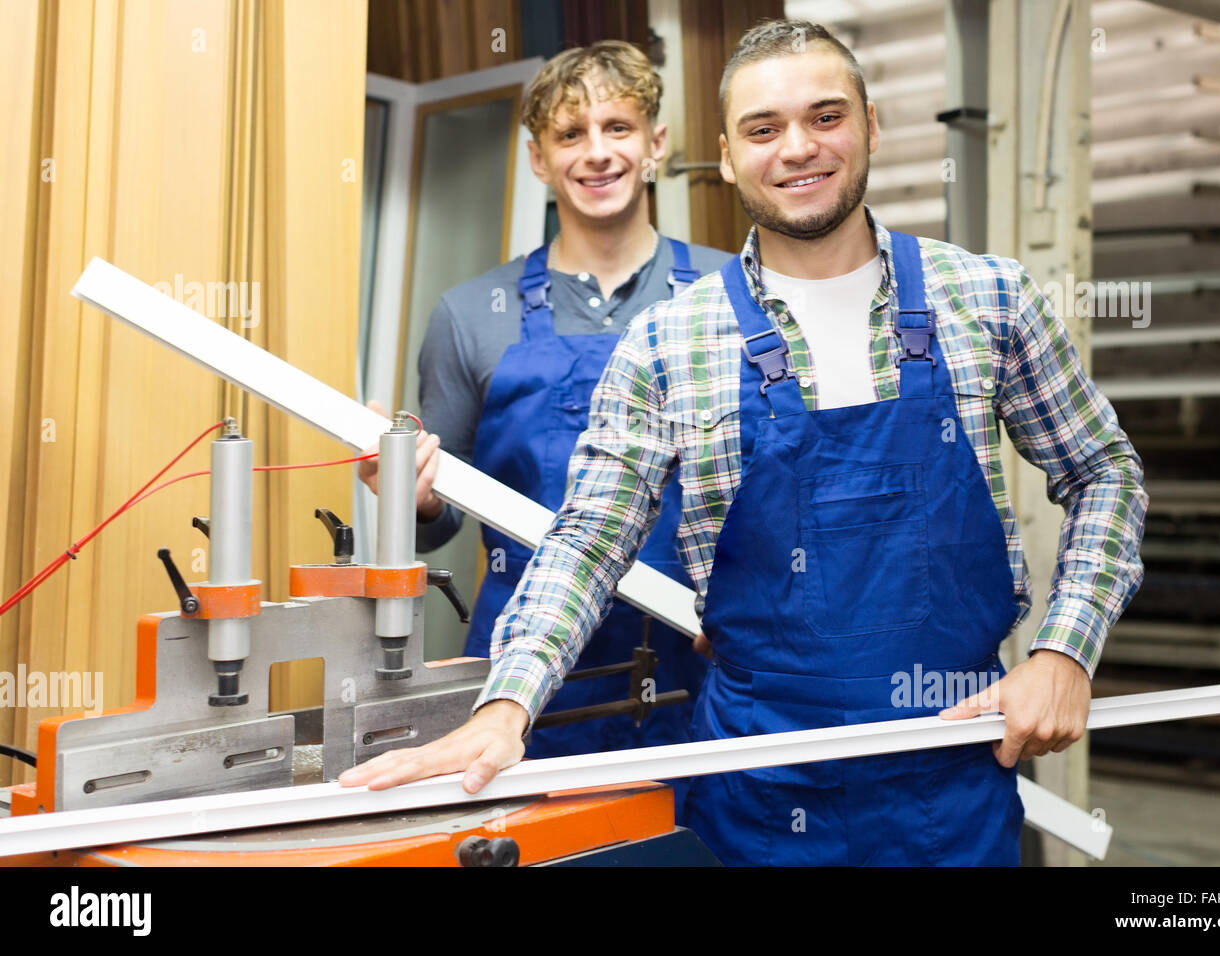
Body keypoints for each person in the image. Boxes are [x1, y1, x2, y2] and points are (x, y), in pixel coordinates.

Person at [343, 18, 1148, 867]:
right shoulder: (668, 343)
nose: (797, 148)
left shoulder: (985, 299)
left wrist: (1066, 652)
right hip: (756, 781)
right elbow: (586, 543)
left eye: (826, 117)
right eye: (764, 129)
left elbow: (1104, 472)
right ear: (726, 157)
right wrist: (507, 707)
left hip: (950, 769)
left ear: (872, 126)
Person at [357, 41, 729, 767]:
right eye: (570, 134)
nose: (596, 153)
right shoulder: (471, 315)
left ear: (656, 144)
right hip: (524, 675)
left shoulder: (728, 296)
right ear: (538, 159)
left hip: (699, 659)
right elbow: (439, 527)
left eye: (617, 128)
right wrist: (417, 495)